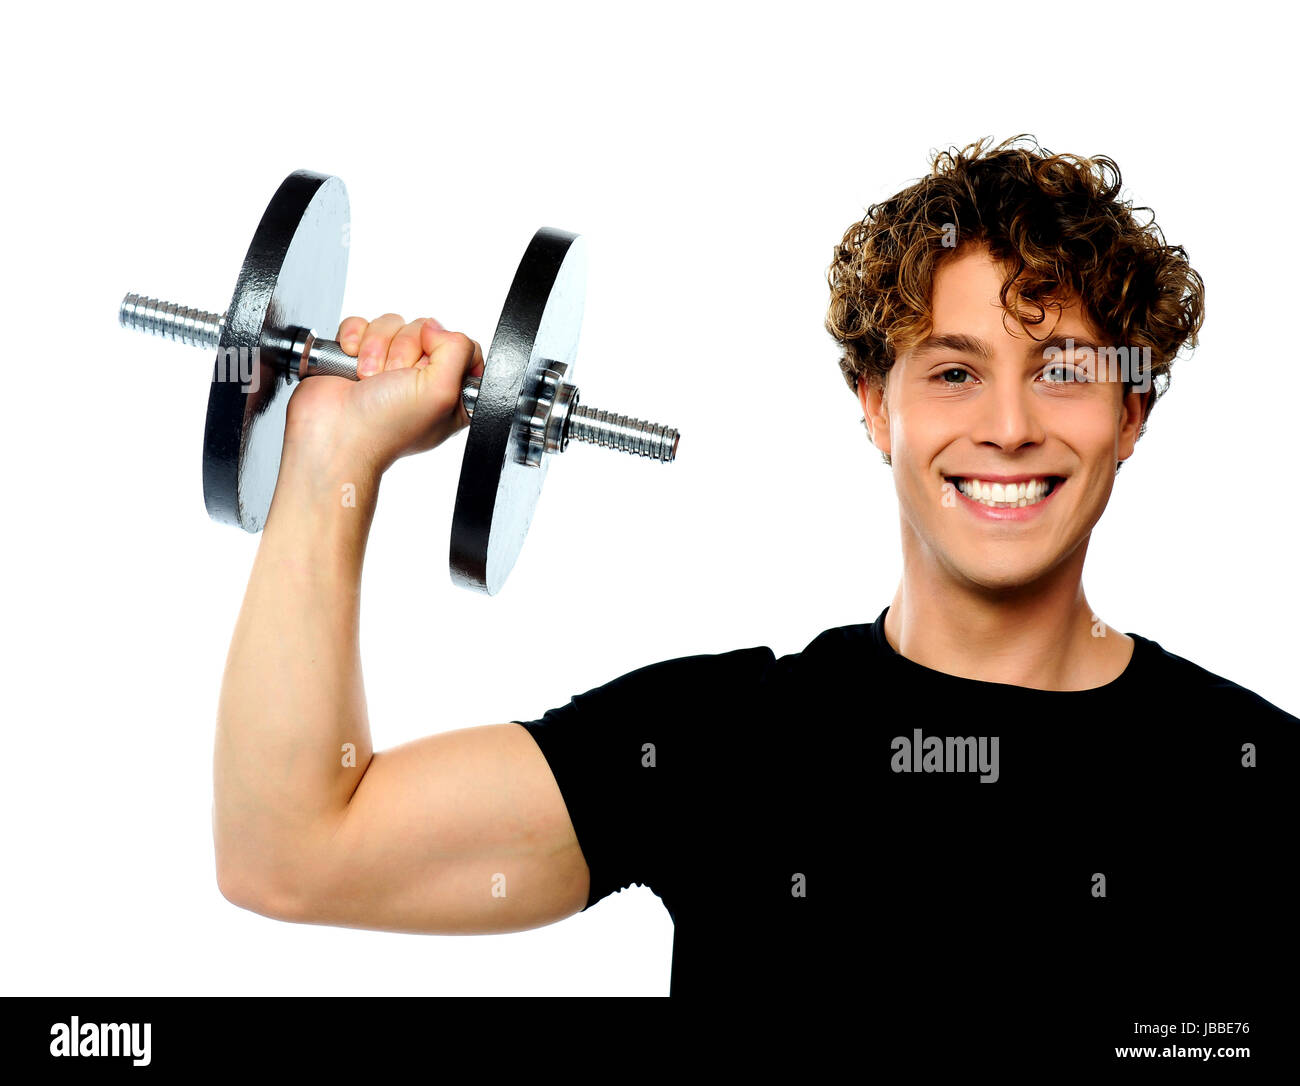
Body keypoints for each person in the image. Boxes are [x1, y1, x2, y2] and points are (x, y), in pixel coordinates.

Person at [212, 135, 1296, 1053]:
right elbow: (296, 854)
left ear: (1132, 413)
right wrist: (329, 459)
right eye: (954, 371)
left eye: (1062, 370)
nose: (1008, 426)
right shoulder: (721, 745)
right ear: (876, 406)